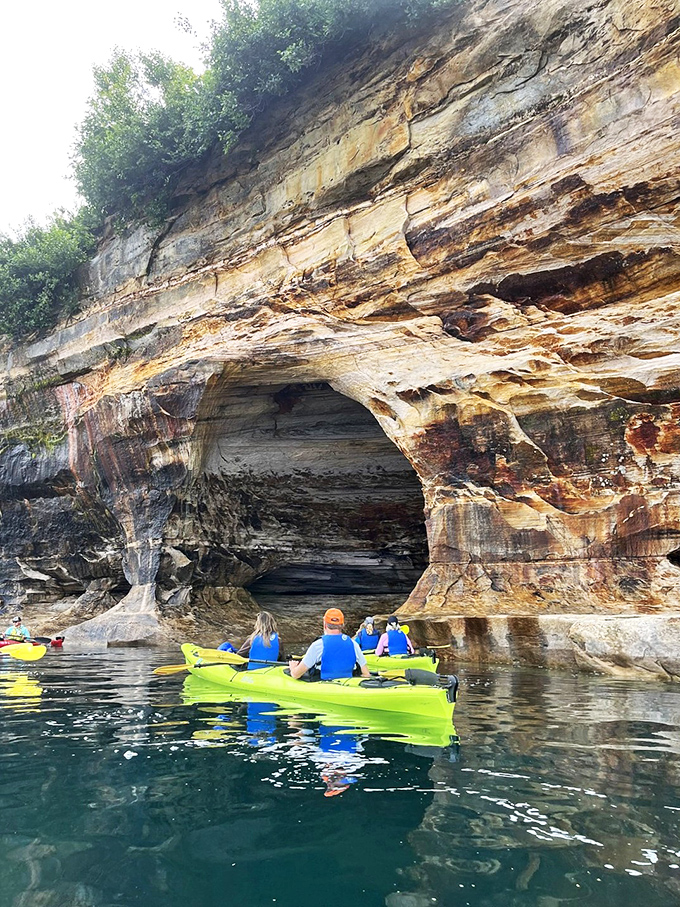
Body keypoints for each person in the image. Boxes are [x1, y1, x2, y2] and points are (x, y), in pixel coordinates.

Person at [288, 608, 371, 681]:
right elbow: (366, 674)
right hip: (347, 685)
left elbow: (296, 675)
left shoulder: (317, 645)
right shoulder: (353, 644)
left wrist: (293, 668)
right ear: (342, 625)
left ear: (324, 624)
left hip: (322, 685)